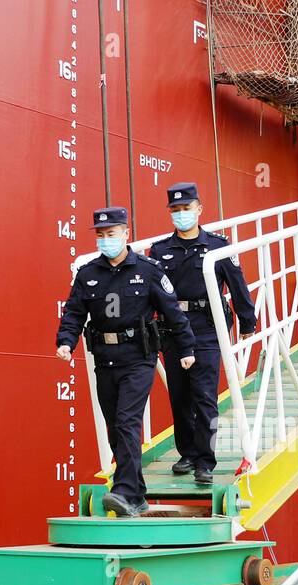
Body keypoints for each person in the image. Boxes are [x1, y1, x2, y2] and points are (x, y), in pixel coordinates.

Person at [56, 207, 196, 517]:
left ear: (125, 234)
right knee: (113, 428)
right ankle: (137, 493)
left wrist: (187, 349)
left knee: (127, 421)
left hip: (138, 359)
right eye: (101, 236)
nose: (106, 240)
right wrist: (66, 341)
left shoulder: (148, 270)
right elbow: (75, 313)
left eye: (112, 234)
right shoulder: (88, 274)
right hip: (105, 361)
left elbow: (173, 313)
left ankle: (125, 492)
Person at [149, 182, 257, 485]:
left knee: (205, 395)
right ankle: (187, 453)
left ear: (199, 209)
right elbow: (152, 291)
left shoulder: (218, 246)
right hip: (173, 329)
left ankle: (205, 460)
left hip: (206, 327)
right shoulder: (159, 251)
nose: (182, 214)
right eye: (176, 210)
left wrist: (247, 322)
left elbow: (237, 282)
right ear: (170, 213)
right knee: (180, 394)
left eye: (187, 208)